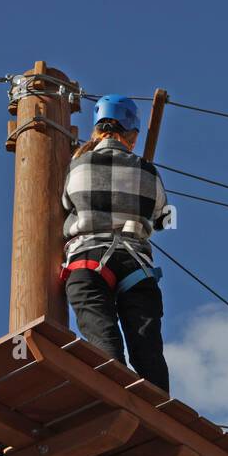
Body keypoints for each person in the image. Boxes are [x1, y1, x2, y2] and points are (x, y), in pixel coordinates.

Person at [60, 94, 171, 392]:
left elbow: (65, 204)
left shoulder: (76, 166)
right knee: (147, 347)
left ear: (97, 130)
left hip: (87, 260)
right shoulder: (148, 171)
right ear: (132, 136)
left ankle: (114, 393)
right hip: (136, 265)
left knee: (102, 337)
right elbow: (162, 218)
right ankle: (158, 408)